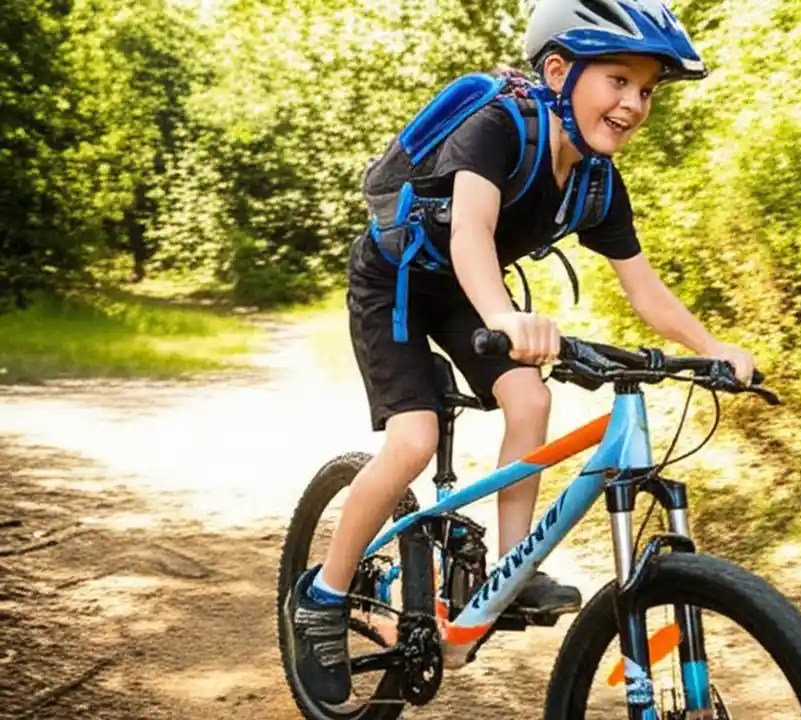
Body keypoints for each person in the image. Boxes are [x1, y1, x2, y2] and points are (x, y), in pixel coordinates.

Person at [287, 0, 756, 704]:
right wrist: (508, 316)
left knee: (530, 397)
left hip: (464, 295)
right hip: (397, 284)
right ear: (560, 71)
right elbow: (470, 232)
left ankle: (513, 568)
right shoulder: (498, 128)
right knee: (413, 439)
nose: (634, 103)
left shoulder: (597, 182)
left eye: (647, 89)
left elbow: (645, 289)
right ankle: (321, 597)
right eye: (618, 80)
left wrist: (712, 347)